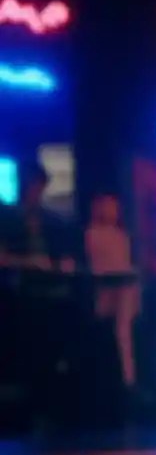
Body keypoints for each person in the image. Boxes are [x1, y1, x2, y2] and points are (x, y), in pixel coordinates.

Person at [0, 164, 79, 430]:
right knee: (26, 351)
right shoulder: (7, 217)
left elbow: (64, 256)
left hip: (51, 292)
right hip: (18, 293)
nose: (36, 191)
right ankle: (27, 411)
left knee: (51, 349)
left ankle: (50, 407)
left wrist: (58, 264)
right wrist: (28, 262)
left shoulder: (52, 219)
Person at [86, 193, 141, 391]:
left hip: (126, 293)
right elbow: (101, 268)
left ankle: (130, 377)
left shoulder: (121, 236)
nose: (113, 210)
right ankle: (127, 378)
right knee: (121, 328)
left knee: (125, 324)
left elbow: (124, 265)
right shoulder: (93, 234)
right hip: (105, 294)